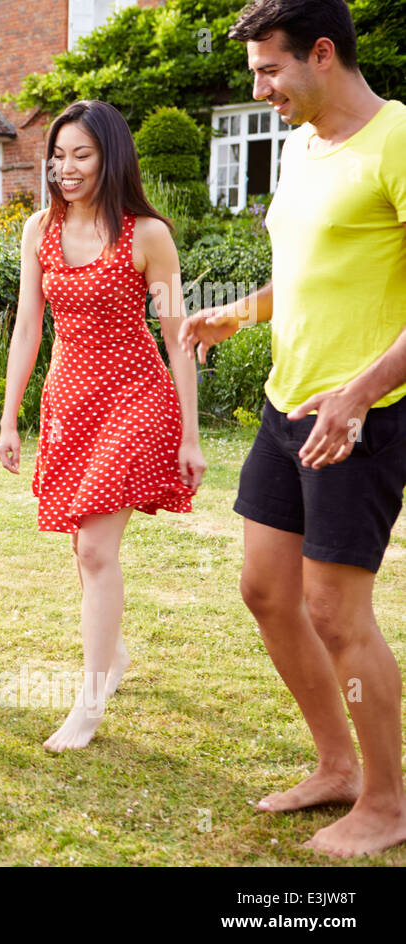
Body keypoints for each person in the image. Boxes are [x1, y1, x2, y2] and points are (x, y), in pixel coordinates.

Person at [181, 0, 406, 857]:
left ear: (321, 53)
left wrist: (356, 395)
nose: (262, 89)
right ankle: (338, 766)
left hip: (363, 415)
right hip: (288, 405)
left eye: (270, 71)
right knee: (268, 592)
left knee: (336, 611)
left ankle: (388, 802)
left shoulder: (396, 141)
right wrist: (236, 314)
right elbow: (309, 272)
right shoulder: (303, 146)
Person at [0, 100, 205, 751]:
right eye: (57, 157)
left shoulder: (149, 235)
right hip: (70, 403)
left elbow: (178, 336)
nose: (66, 168)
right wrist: (9, 419)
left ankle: (88, 703)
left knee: (94, 548)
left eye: (80, 155)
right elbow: (28, 326)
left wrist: (191, 434)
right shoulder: (39, 230)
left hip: (136, 400)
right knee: (80, 547)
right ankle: (112, 659)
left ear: (111, 157)